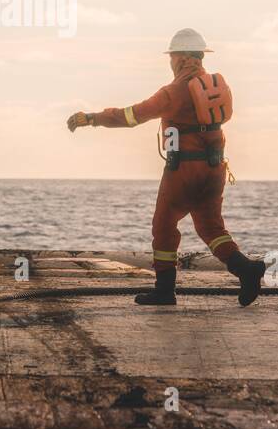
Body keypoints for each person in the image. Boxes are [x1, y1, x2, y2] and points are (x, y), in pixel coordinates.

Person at [67, 28, 266, 307]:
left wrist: (92, 118)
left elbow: (131, 116)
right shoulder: (216, 87)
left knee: (164, 225)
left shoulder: (173, 92)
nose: (171, 63)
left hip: (183, 171)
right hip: (214, 169)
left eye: (172, 57)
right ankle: (246, 269)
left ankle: (164, 290)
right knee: (211, 226)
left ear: (182, 58)